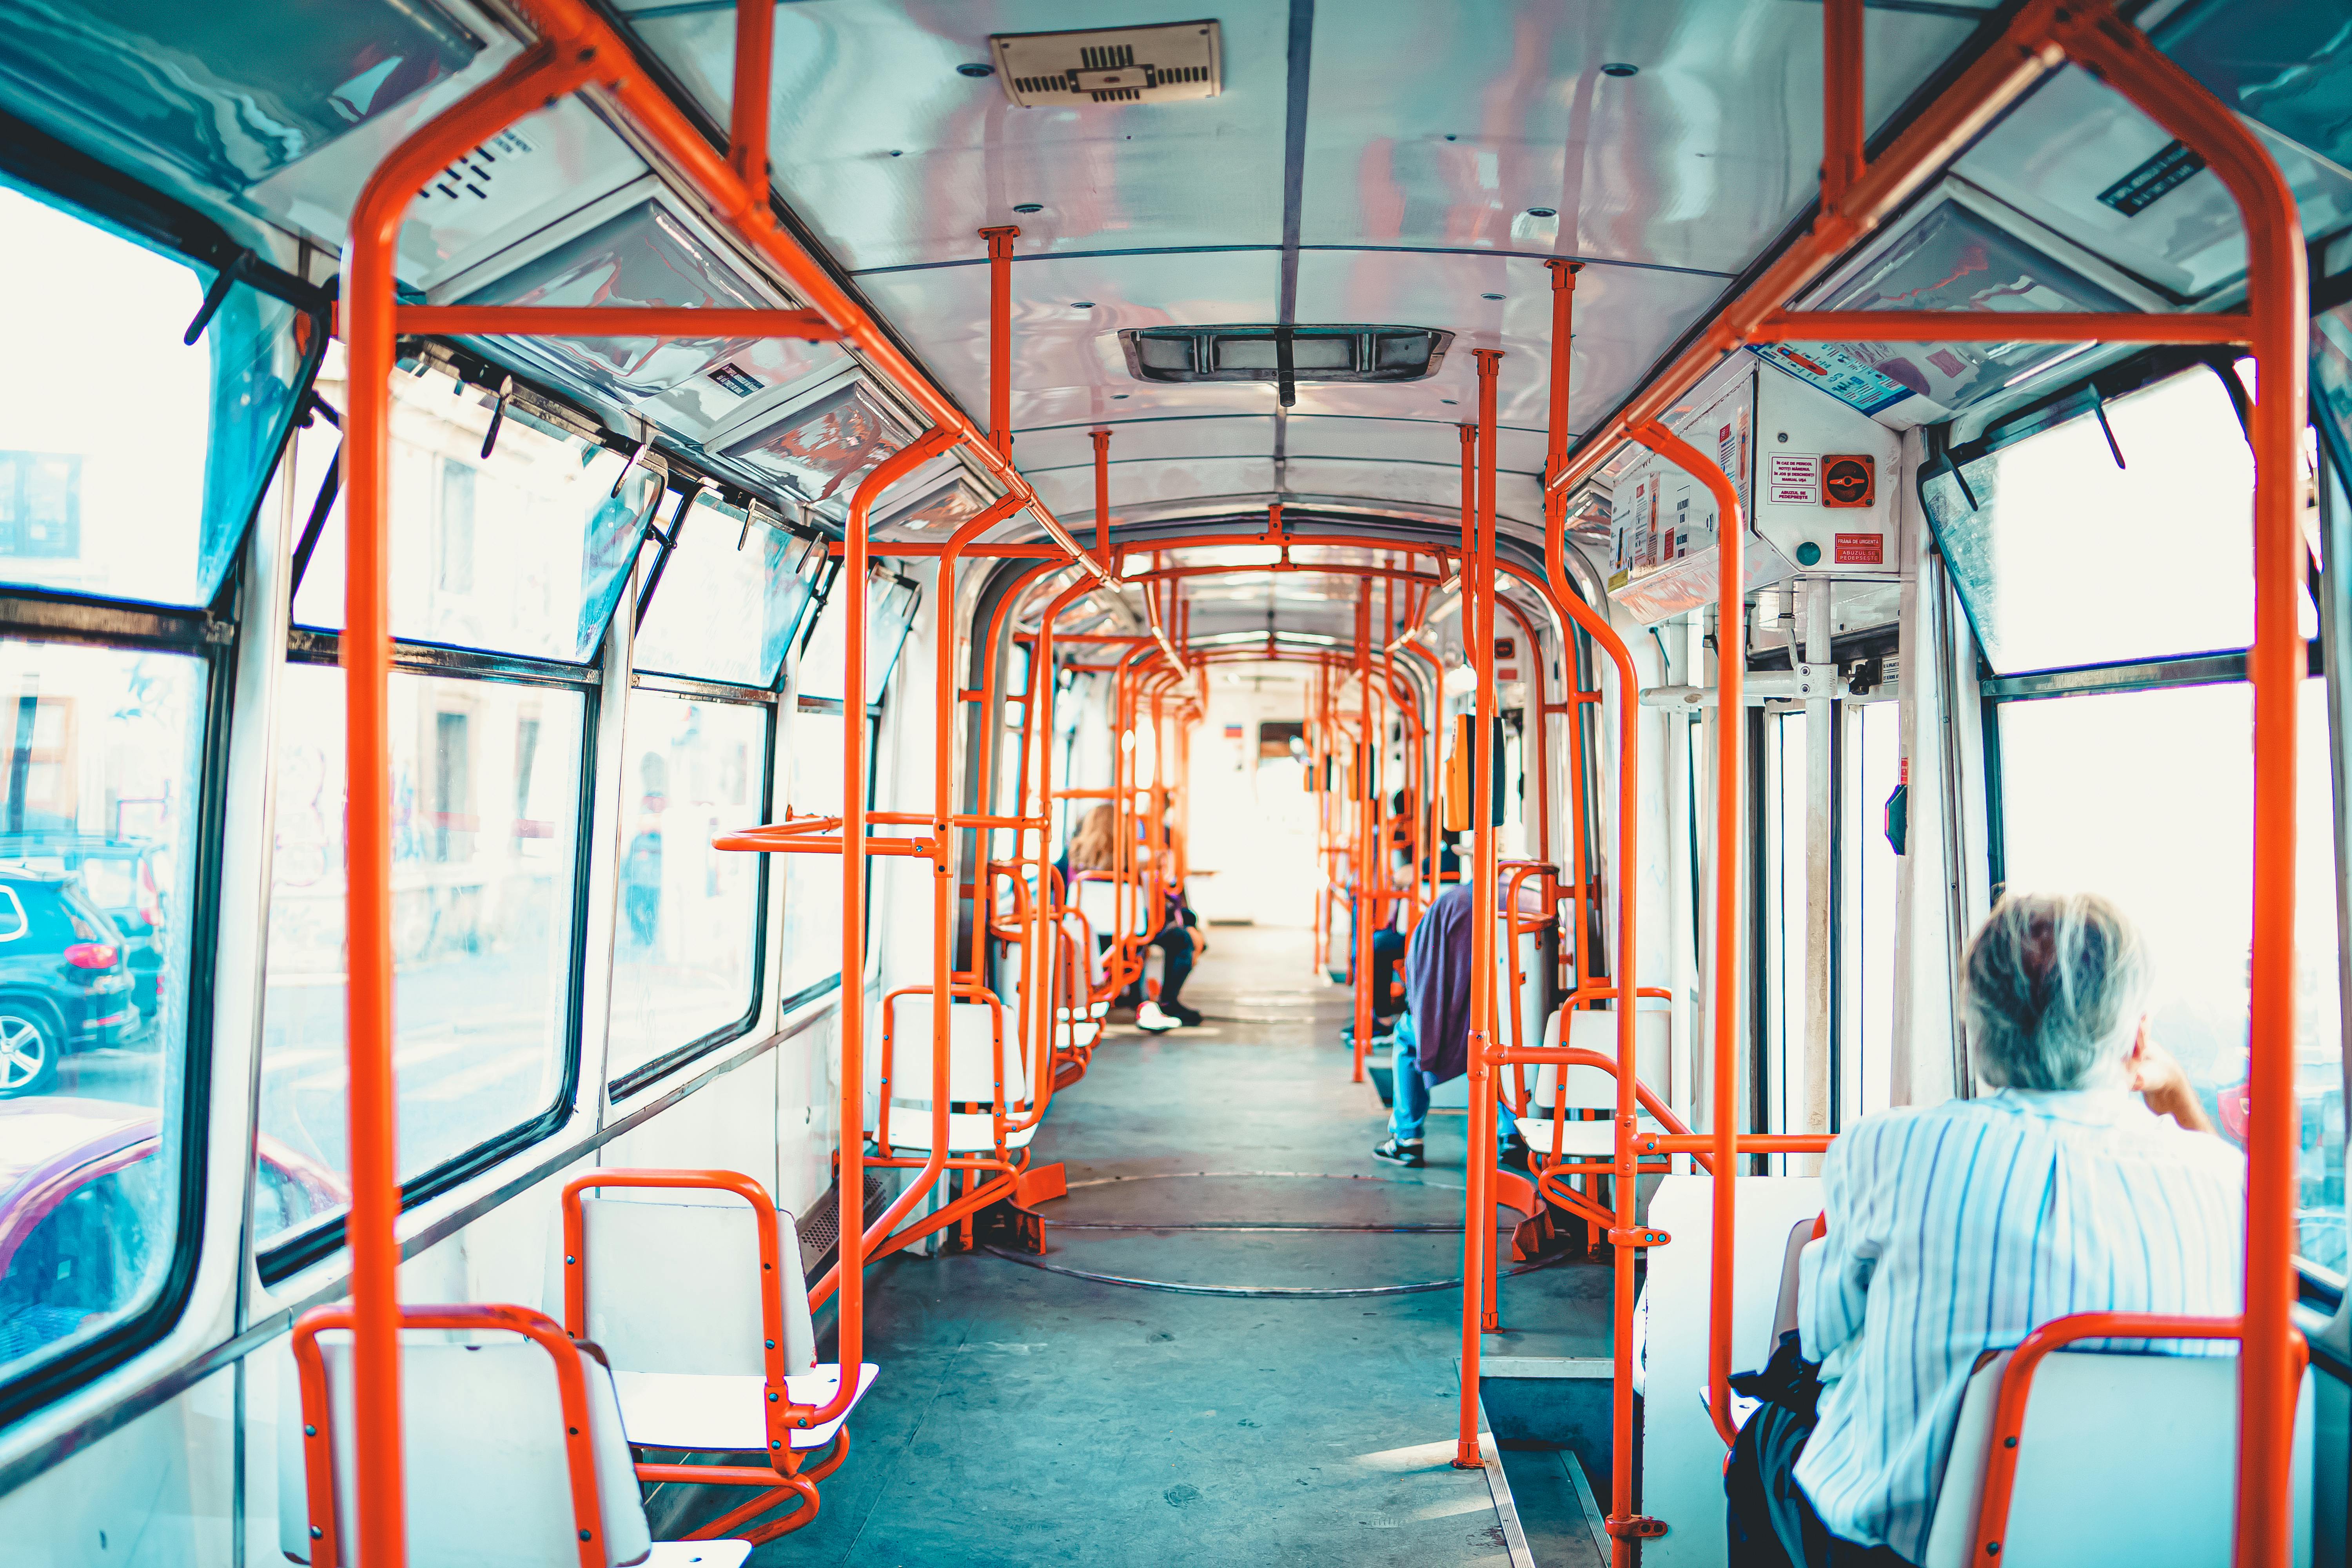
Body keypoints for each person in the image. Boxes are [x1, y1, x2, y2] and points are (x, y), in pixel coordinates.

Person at [1724, 892, 2241, 1568]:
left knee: (1764, 1440)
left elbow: (1826, 1338)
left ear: (1981, 1027)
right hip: (2156, 1543)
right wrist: (2175, 1097)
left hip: (1908, 1546)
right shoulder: (2225, 1181)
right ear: (2138, 1040)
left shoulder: (1889, 1148)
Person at [1372, 879, 1530, 1170]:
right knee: (1505, 1049)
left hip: (1465, 1015)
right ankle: (1513, 1134)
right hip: (1521, 1017)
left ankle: (1408, 1138)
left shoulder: (1455, 901)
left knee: (1408, 1040)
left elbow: (1423, 965)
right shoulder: (1533, 898)